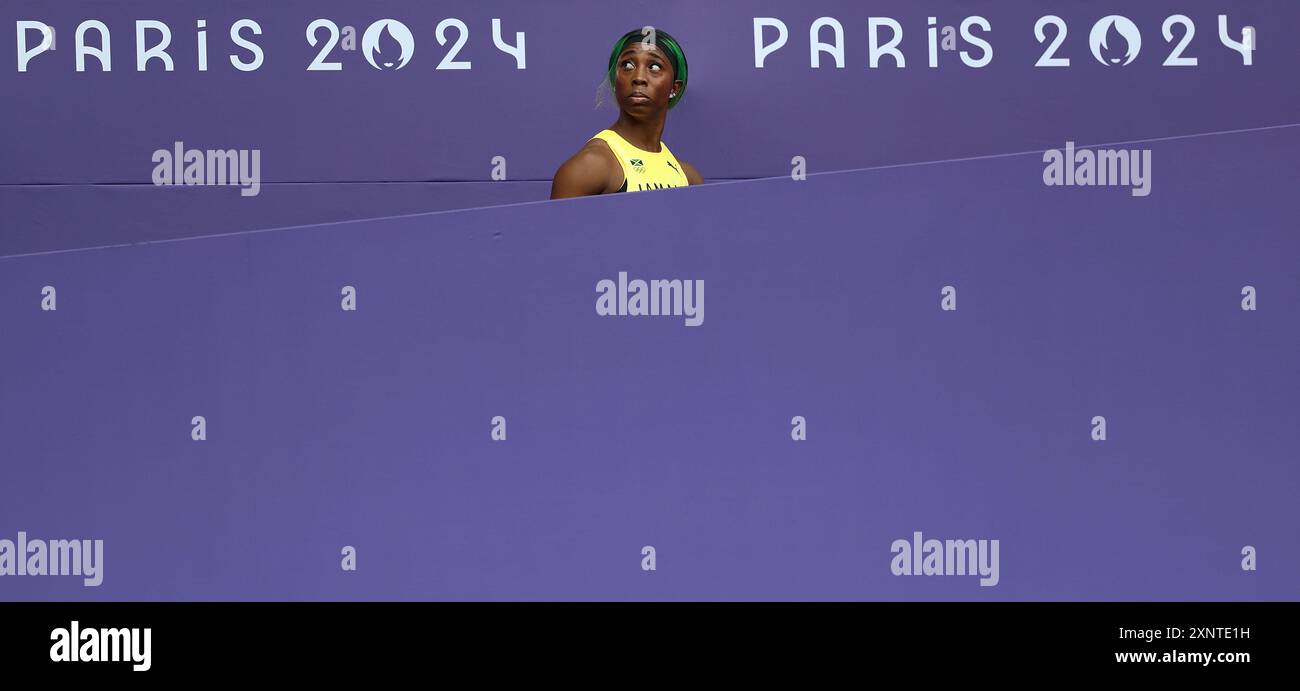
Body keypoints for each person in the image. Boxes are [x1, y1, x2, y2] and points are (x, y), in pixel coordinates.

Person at [550, 28, 703, 199]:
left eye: (654, 66)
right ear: (615, 81)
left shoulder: (689, 179)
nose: (638, 77)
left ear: (674, 88)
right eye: (628, 65)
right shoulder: (589, 167)